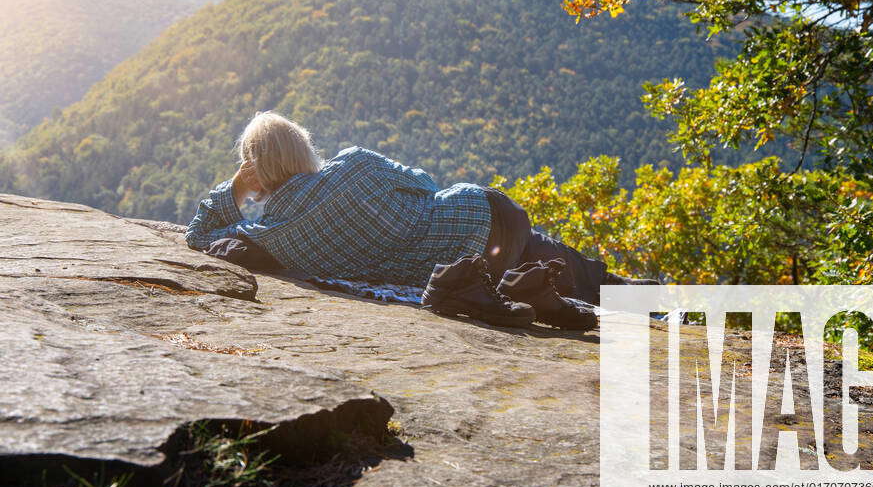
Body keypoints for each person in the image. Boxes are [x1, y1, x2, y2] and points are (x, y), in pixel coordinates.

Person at [186, 112, 656, 324]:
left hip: (461, 270)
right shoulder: (355, 164)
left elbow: (199, 233)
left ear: (256, 168)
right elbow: (427, 184)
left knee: (535, 267)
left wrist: (236, 188)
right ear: (304, 147)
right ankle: (633, 292)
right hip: (486, 218)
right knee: (553, 257)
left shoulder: (269, 234)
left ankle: (585, 289)